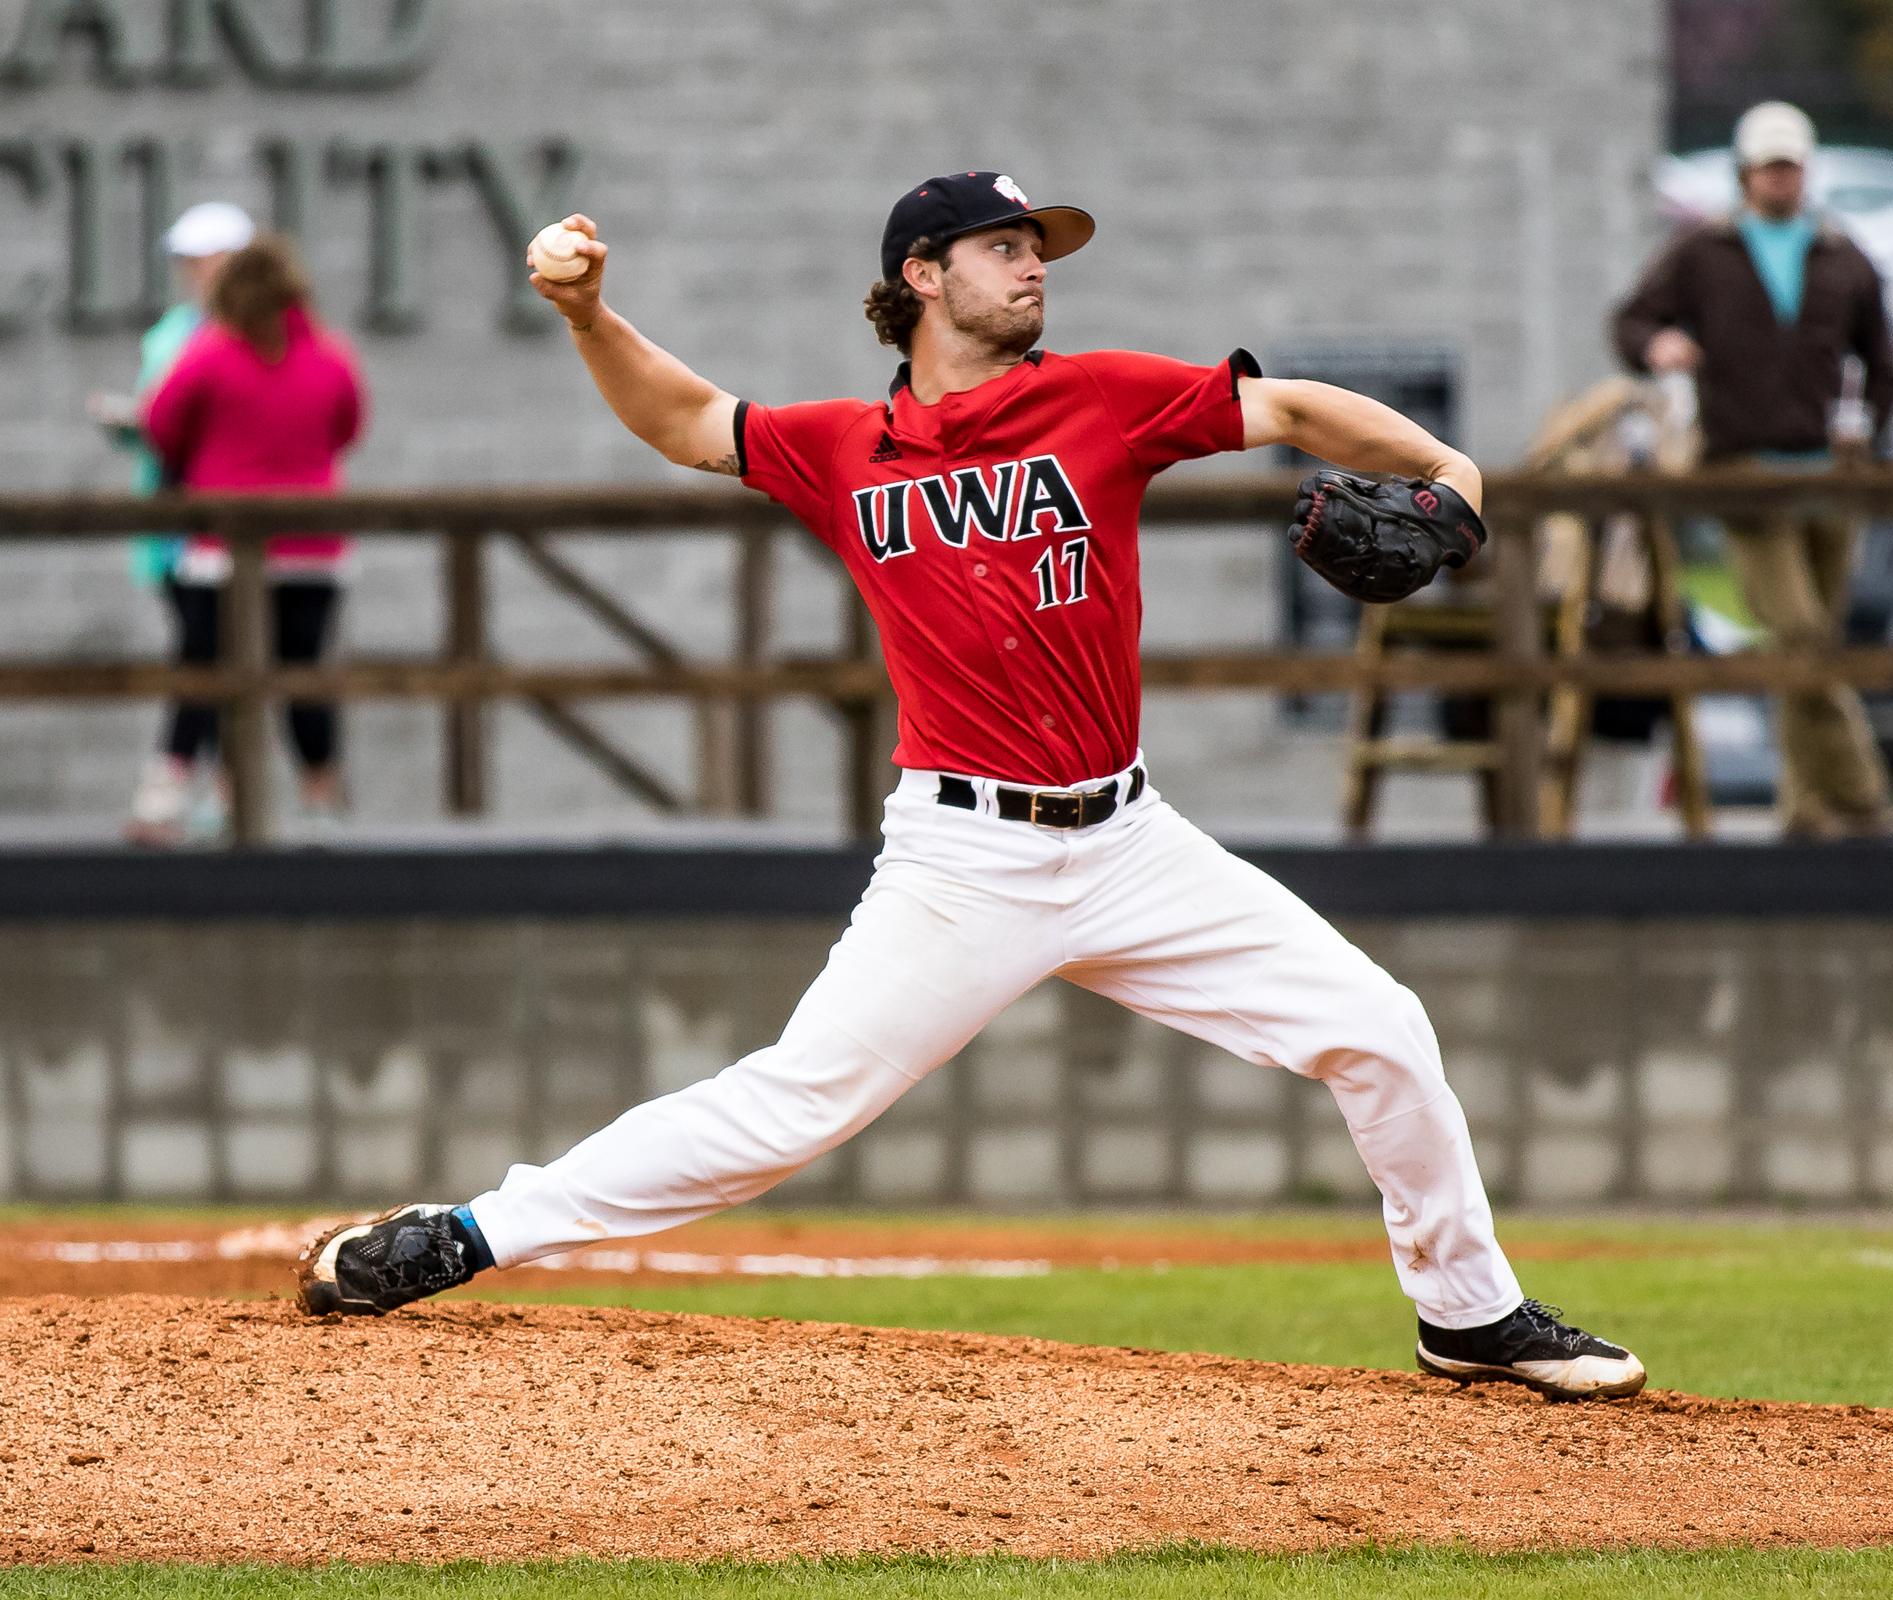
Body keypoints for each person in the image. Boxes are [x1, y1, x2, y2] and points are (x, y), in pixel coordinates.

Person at [299, 172, 1645, 1401]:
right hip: (961, 862)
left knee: (1381, 1027)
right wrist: (592, 314)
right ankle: (467, 1232)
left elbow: (1287, 408)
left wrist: (1450, 474)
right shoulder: (842, 443)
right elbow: (688, 424)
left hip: (1131, 843)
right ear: (921, 276)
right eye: (1005, 247)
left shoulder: (1103, 397)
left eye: (1038, 248)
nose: (1036, 267)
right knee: (793, 1106)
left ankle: (1466, 1315)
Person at [1612, 101, 1893, 841]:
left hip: (1827, 472)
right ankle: (1867, 798)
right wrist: (1659, 348)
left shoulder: (1843, 255)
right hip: (1742, 467)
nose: (1782, 179)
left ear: (1807, 170)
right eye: (1770, 166)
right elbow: (1632, 320)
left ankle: (1805, 807)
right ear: (1747, 173)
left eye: (1792, 166)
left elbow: (1886, 364)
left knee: (1807, 649)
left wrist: (1868, 433)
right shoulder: (1704, 251)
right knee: (1800, 631)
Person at [137, 233, 367, 839]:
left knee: (205, 669)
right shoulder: (329, 353)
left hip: (220, 551)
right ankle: (320, 801)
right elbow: (348, 426)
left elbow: (161, 427)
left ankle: (196, 799)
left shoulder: (210, 351)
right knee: (304, 673)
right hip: (312, 549)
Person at [89, 201, 256, 844]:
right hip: (178, 528)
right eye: (189, 259)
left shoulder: (245, 334)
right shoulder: (174, 333)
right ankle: (211, 791)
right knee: (203, 655)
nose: (195, 270)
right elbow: (167, 425)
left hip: (229, 527)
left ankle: (191, 791)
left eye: (205, 257)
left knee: (209, 657)